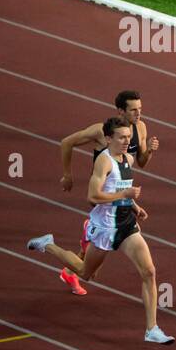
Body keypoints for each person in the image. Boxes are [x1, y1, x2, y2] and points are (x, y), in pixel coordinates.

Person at [27, 116, 174, 344]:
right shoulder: (103, 162)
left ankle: (152, 329)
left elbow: (121, 187)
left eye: (128, 137)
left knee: (149, 272)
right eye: (121, 137)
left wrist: (134, 207)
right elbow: (93, 196)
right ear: (108, 138)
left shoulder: (128, 159)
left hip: (126, 225)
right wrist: (125, 196)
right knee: (86, 273)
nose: (127, 141)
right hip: (104, 226)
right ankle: (48, 244)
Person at [57, 90, 160, 295]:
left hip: (123, 196)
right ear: (121, 111)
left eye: (140, 109)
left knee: (92, 269)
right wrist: (67, 175)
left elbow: (141, 163)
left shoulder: (140, 128)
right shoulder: (100, 131)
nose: (138, 114)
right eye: (133, 110)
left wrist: (149, 150)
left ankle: (70, 269)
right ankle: (82, 240)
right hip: (103, 198)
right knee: (93, 268)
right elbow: (67, 142)